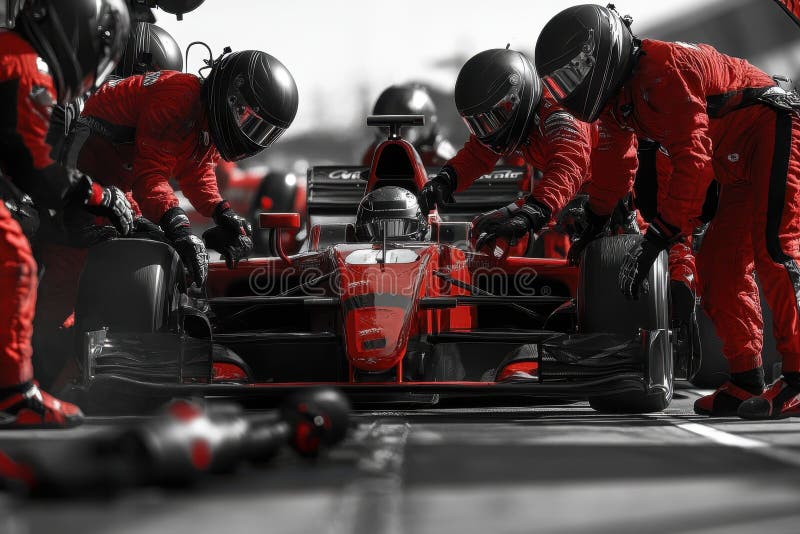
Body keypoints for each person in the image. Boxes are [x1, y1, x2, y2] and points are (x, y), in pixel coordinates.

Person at [535, 3, 800, 418]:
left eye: (574, 75)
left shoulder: (664, 69)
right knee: (719, 266)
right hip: (736, 160)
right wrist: (596, 220)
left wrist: (657, 238)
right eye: (561, 82)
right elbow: (613, 167)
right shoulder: (617, 101)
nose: (571, 88)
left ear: (599, 55)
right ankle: (746, 379)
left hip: (775, 127)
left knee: (777, 250)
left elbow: (693, 161)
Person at [0, 0, 131, 427]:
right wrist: (99, 196)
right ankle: (15, 398)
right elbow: (36, 169)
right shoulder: (25, 67)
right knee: (13, 256)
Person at [418, 48, 595, 261]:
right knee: (484, 228)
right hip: (562, 197)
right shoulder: (507, 121)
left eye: (492, 119)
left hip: (601, 200)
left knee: (566, 251)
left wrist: (531, 213)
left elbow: (568, 168)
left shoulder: (559, 114)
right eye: (480, 124)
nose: (488, 130)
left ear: (515, 101)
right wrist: (446, 179)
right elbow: (476, 154)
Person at [362, 83, 456, 167]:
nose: (394, 130)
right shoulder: (377, 153)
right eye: (386, 127)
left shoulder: (440, 156)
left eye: (404, 125)